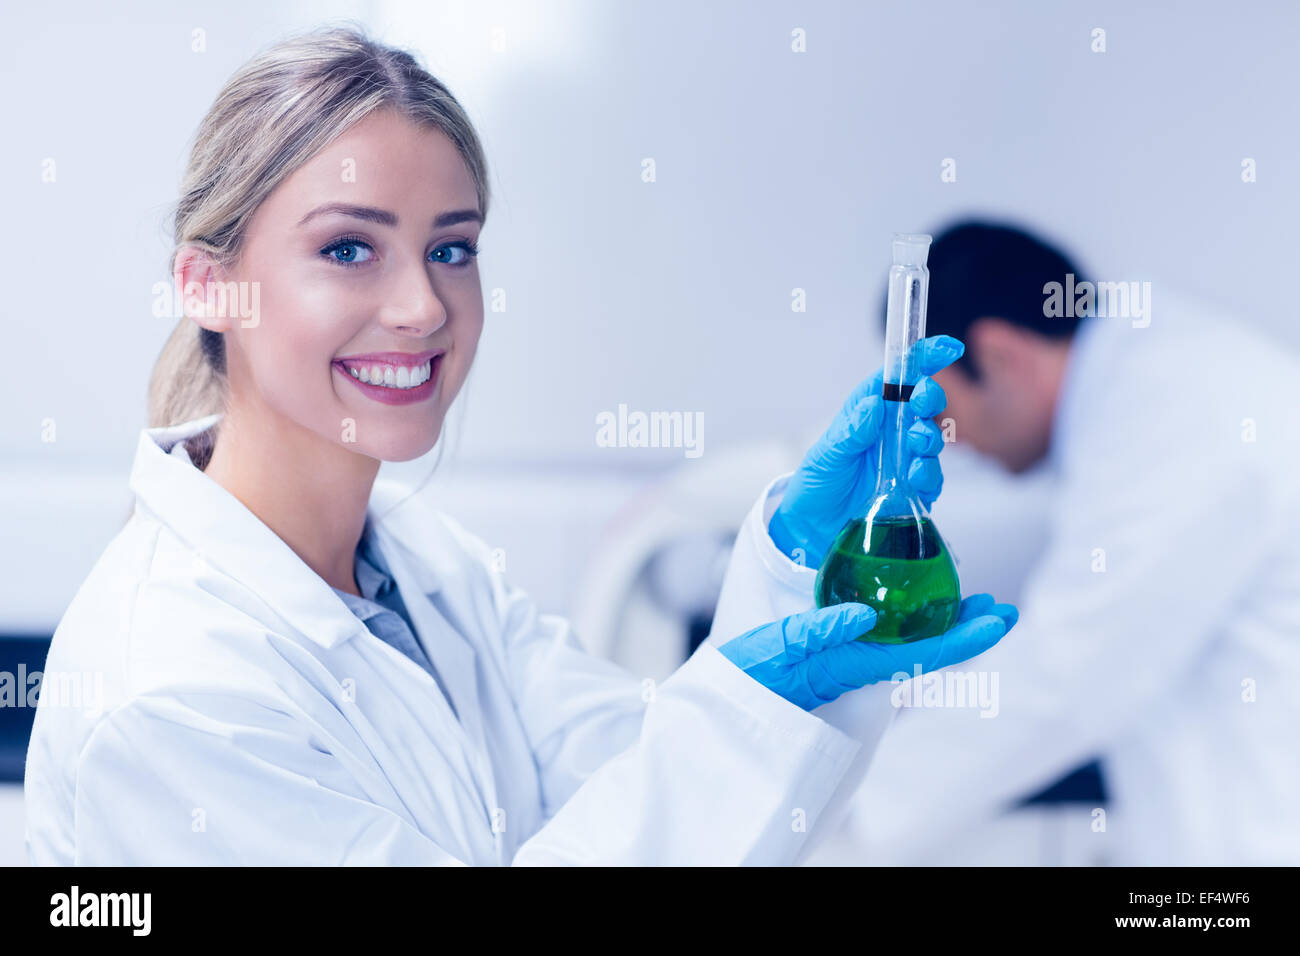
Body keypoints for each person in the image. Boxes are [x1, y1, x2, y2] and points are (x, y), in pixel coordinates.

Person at [22, 26, 1016, 866]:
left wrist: (792, 577)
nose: (420, 307)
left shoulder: (425, 566)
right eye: (347, 248)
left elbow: (631, 783)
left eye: (450, 248)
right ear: (208, 286)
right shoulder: (169, 694)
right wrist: (760, 702)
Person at [844, 221, 1300, 865]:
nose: (950, 437)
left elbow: (1067, 673)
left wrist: (837, 820)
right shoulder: (1153, 386)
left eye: (939, 406)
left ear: (999, 354)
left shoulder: (1181, 413)